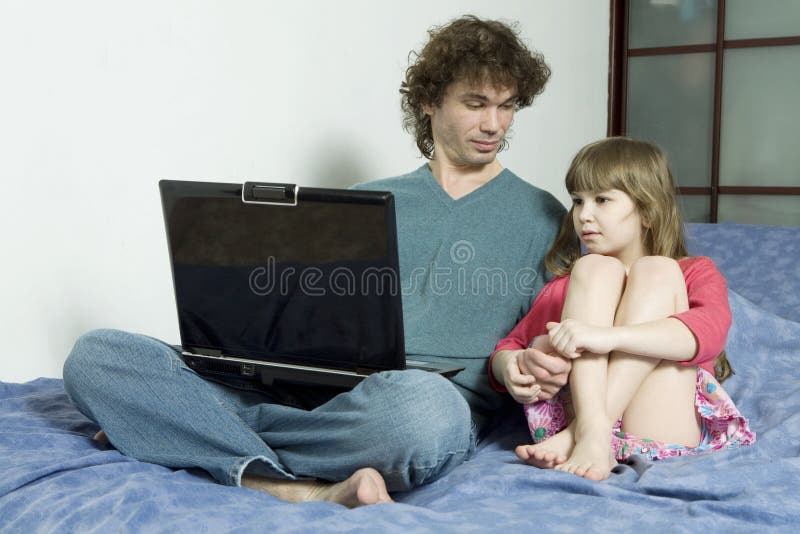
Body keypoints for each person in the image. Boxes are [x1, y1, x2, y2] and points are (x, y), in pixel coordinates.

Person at [62, 15, 567, 507]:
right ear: (429, 101)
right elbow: (297, 324)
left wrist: (533, 362)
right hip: (310, 397)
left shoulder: (543, 216)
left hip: (413, 410)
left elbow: (547, 336)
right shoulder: (363, 200)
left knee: (421, 413)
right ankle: (290, 483)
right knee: (97, 356)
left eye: (507, 106)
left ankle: (183, 430)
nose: (494, 124)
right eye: (476, 104)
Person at [490, 137, 755, 481]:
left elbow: (708, 333)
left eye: (601, 200)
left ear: (647, 211)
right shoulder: (573, 283)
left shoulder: (692, 272)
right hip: (577, 416)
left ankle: (587, 432)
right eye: (578, 201)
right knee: (592, 267)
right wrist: (512, 365)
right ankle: (592, 431)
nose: (584, 215)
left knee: (657, 270)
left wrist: (606, 337)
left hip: (656, 424)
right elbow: (507, 347)